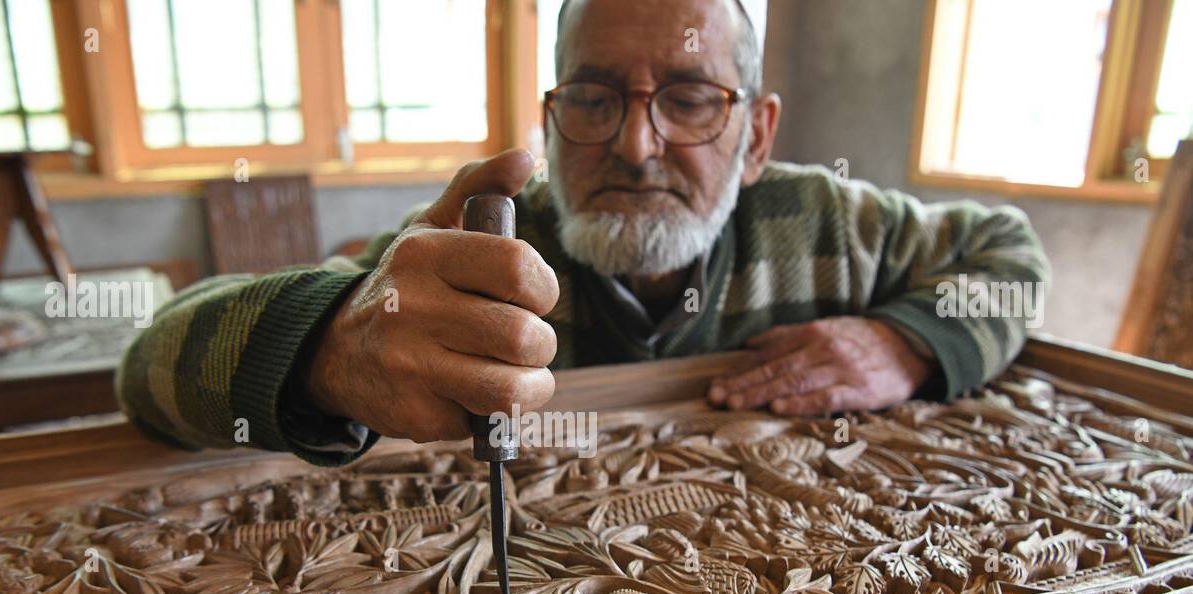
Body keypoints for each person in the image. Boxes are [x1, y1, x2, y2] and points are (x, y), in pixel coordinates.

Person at [116, 0, 1049, 467]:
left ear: (757, 135)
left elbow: (1009, 256)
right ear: (553, 116)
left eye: (688, 100)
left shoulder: (835, 226)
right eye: (596, 99)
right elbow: (149, 365)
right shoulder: (481, 254)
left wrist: (909, 342)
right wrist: (323, 349)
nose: (636, 146)